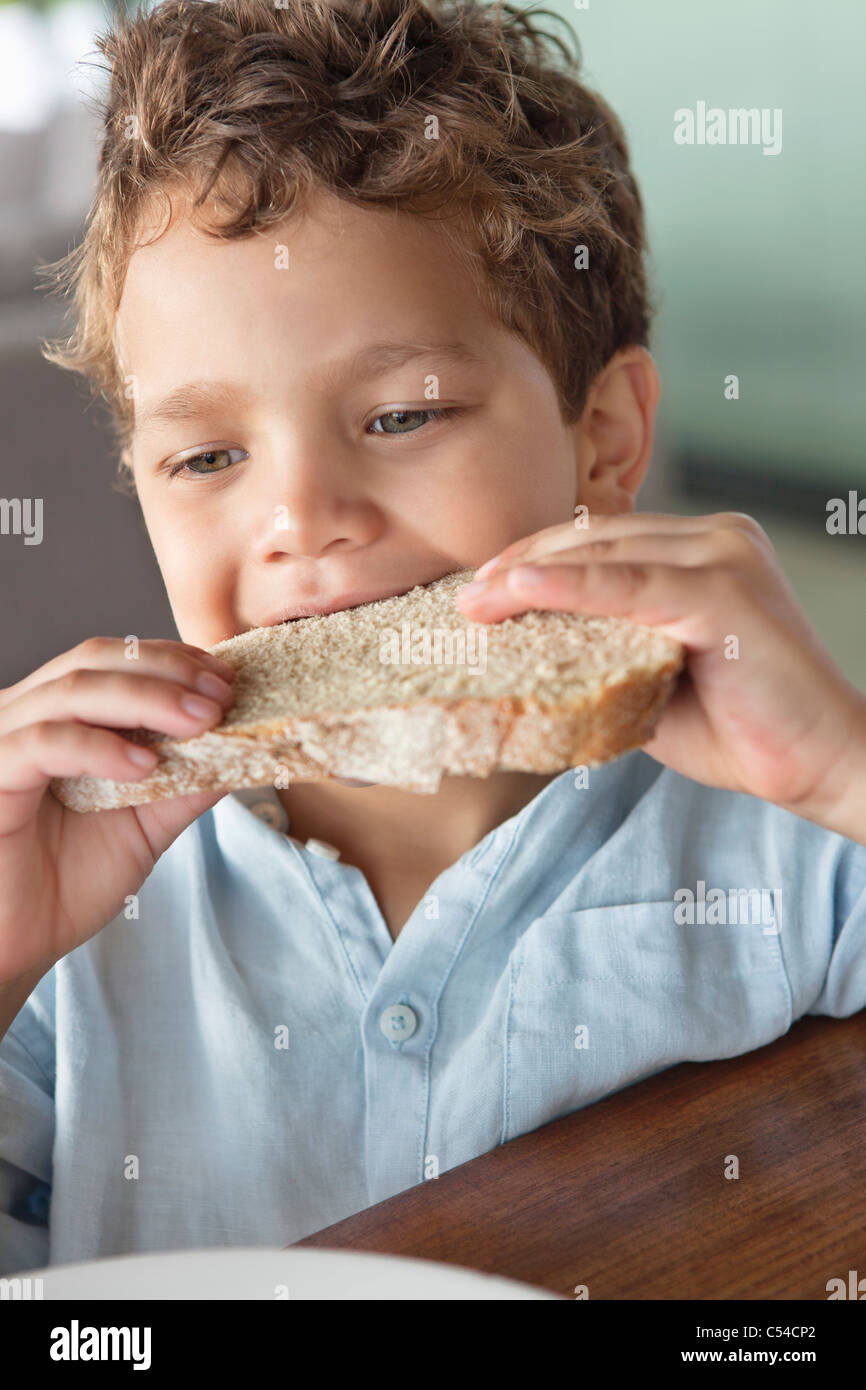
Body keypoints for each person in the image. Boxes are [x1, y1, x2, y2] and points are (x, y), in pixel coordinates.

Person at [1, 0, 863, 1276]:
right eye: (206, 455)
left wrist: (846, 772)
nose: (299, 519)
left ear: (605, 440)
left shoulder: (794, 855)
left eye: (402, 416)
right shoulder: (71, 922)